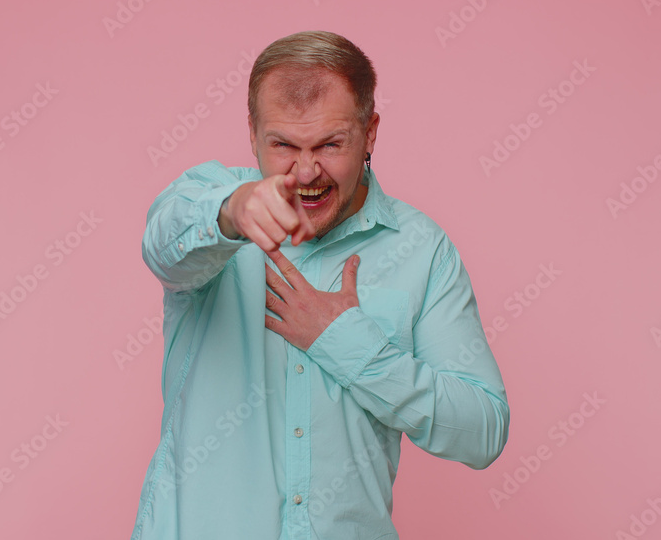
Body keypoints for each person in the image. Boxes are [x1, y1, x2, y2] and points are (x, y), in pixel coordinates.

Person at [131, 30, 509, 540]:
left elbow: (483, 430)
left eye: (330, 144)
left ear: (370, 133)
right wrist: (231, 213)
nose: (306, 171)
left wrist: (348, 343)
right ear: (253, 132)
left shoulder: (422, 249)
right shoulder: (207, 204)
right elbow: (163, 249)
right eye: (283, 144)